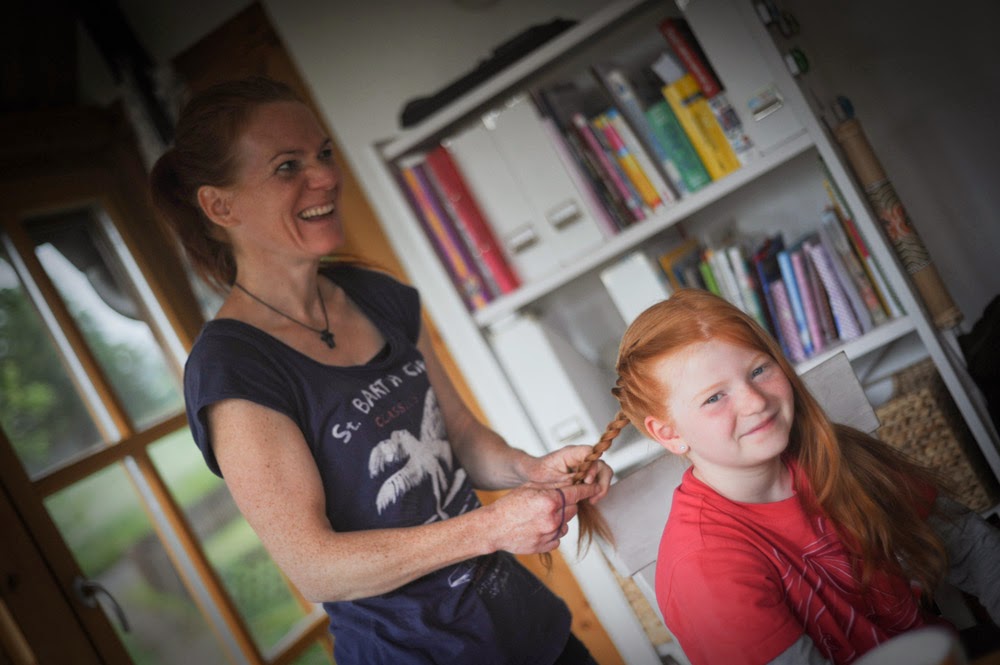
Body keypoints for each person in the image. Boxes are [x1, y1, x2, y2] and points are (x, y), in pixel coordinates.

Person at [148, 76, 612, 665]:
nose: (324, 177)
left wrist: (531, 470)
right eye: (288, 166)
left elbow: (460, 435)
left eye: (323, 154)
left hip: (529, 632)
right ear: (220, 204)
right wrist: (491, 530)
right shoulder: (234, 367)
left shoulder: (375, 295)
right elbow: (315, 567)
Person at [578, 288, 1000, 665]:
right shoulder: (703, 568)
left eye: (759, 370)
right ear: (668, 434)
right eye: (714, 397)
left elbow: (973, 548)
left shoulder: (837, 454)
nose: (754, 402)